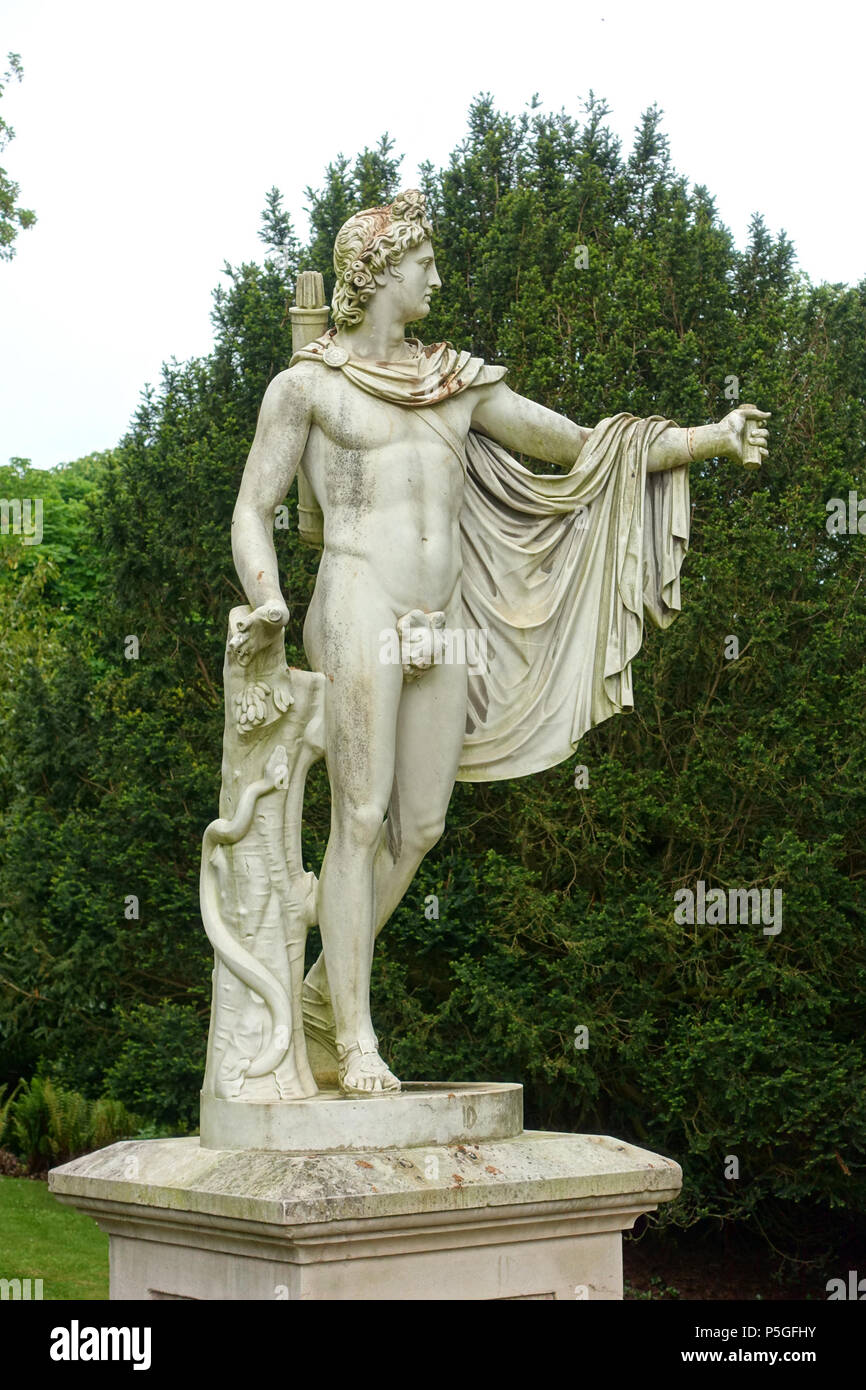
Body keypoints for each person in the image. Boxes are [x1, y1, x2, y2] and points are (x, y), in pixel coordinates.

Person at [230, 190, 769, 1096]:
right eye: (422, 262)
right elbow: (253, 509)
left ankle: (321, 987)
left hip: (444, 623)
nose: (435, 276)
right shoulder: (307, 386)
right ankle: (356, 1039)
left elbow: (577, 447)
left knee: (421, 826)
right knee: (360, 818)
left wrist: (706, 439)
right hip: (357, 602)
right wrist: (270, 602)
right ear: (377, 274)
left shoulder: (456, 382)